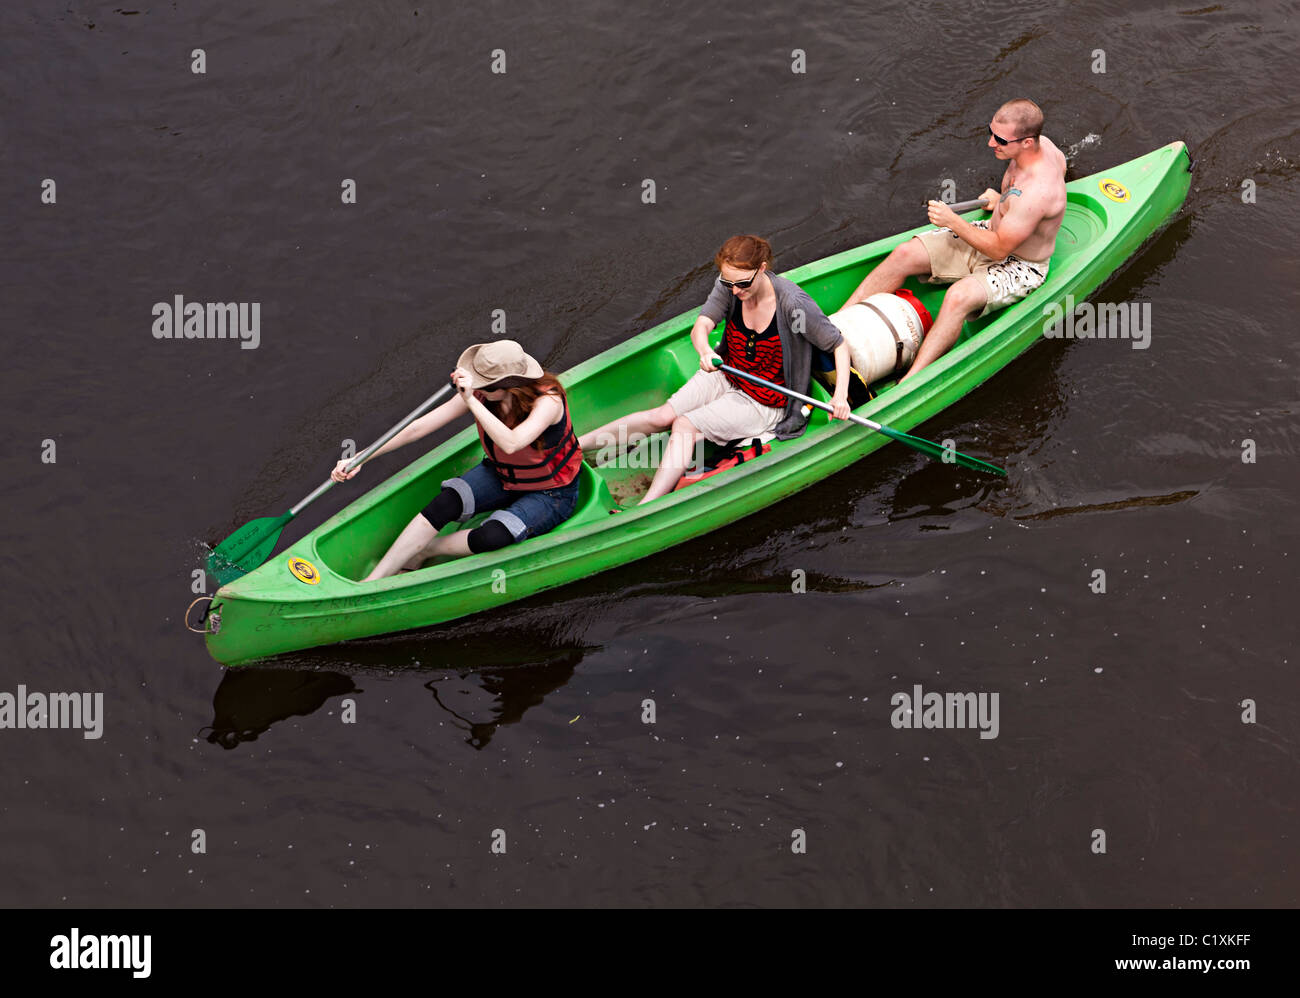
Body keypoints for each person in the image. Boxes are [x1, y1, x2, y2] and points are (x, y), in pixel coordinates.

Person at [577, 234, 851, 502]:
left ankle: (647, 506)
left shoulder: (794, 305)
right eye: (728, 282)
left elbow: (838, 344)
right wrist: (705, 350)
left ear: (763, 269)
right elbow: (702, 327)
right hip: (728, 373)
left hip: (765, 400)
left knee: (684, 425)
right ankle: (575, 447)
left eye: (742, 283)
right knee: (662, 417)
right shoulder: (731, 285)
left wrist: (840, 396)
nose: (735, 291)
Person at [844, 98, 1068, 381]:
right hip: (993, 231)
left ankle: (912, 379)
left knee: (957, 297)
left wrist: (953, 221)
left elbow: (1000, 249)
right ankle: (834, 327)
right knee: (904, 254)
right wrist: (1003, 203)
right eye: (991, 132)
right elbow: (1052, 178)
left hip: (1020, 263)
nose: (990, 143)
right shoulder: (1040, 147)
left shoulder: (1039, 192)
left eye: (1000, 139)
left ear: (1026, 143)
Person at [333, 340, 582, 579]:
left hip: (551, 492)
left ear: (507, 386)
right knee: (445, 503)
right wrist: (361, 457)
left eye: (484, 385)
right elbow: (416, 429)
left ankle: (428, 549)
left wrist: (471, 400)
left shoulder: (548, 401)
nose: (477, 387)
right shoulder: (485, 396)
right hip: (502, 475)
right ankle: (375, 580)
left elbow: (512, 442)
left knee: (493, 536)